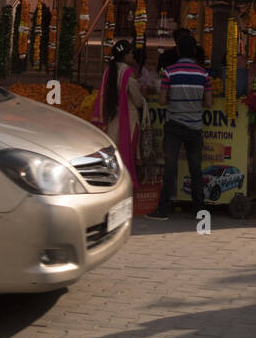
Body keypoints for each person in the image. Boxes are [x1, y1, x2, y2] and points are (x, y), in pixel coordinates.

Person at [148, 30, 212, 220]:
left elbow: (161, 101)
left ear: (178, 51)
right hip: (195, 127)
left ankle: (163, 209)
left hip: (174, 125)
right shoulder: (204, 74)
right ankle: (199, 209)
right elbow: (208, 103)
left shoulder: (169, 72)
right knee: (195, 168)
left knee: (170, 167)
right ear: (194, 52)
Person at [91, 39, 147, 187]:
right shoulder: (127, 72)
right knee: (127, 156)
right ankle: (125, 187)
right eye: (131, 53)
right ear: (125, 55)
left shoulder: (108, 71)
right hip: (128, 121)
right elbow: (138, 101)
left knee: (113, 157)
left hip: (110, 121)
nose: (133, 56)